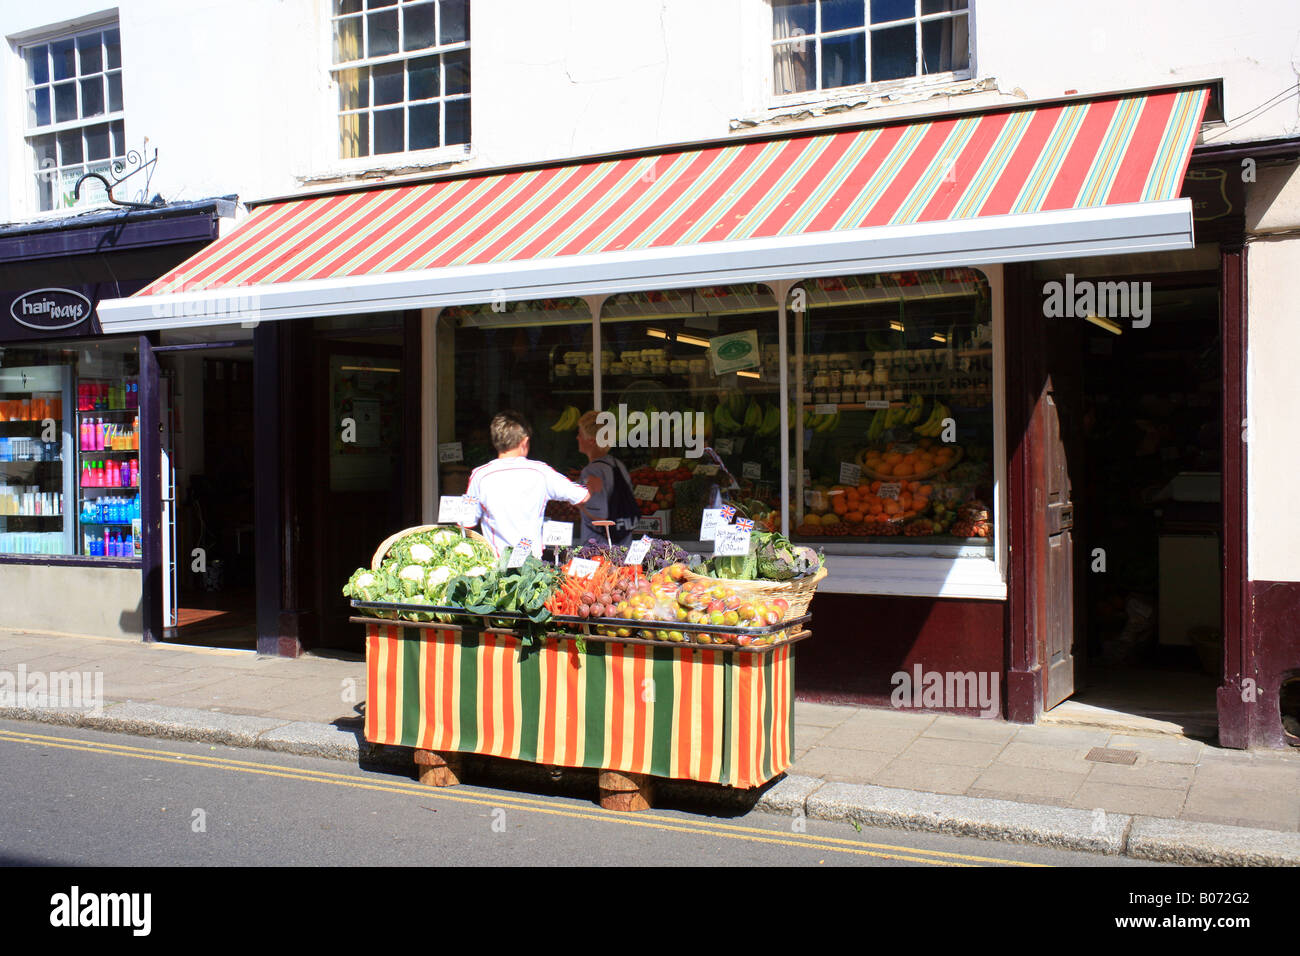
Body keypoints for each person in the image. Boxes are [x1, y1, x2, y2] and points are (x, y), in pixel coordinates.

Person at [466, 410, 590, 557]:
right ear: (524, 442)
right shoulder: (540, 472)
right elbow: (583, 496)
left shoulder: (479, 476)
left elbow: (466, 521)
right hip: (532, 565)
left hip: (495, 566)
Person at [576, 410, 636, 547]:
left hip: (599, 550)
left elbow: (599, 518)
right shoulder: (617, 465)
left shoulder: (592, 471)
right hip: (623, 545)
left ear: (591, 441)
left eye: (580, 434)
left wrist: (578, 503)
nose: (577, 438)